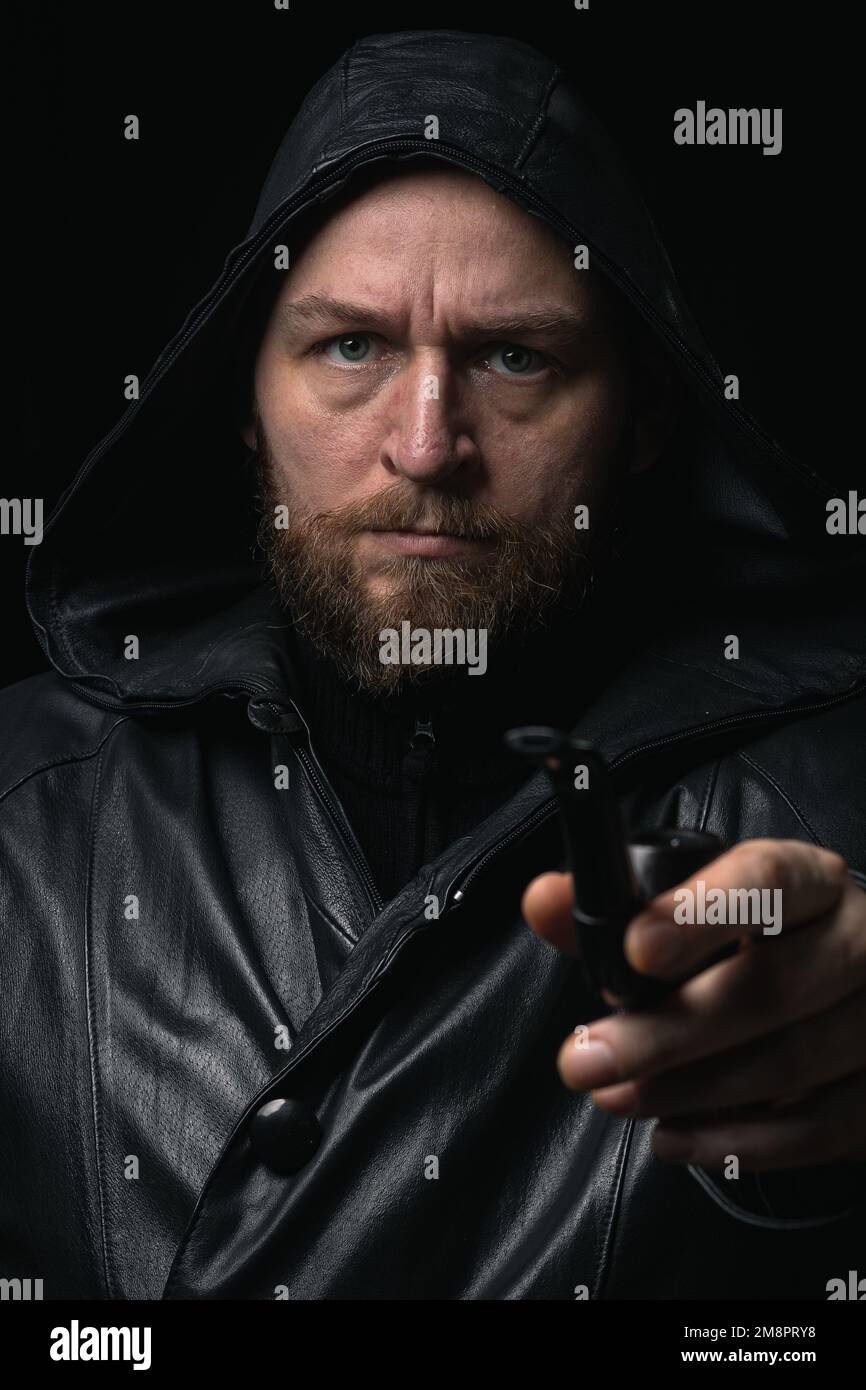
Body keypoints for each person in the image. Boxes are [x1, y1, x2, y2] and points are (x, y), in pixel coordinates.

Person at [2, 29, 864, 1301]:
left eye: (514, 357)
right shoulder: (21, 813)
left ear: (645, 417)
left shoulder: (831, 811)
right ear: (244, 398)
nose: (422, 445)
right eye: (348, 347)